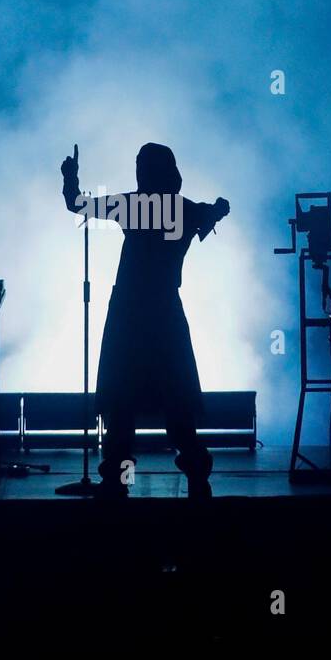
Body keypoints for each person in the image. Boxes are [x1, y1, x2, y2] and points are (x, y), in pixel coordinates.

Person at [60, 143, 229, 498]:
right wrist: (216, 208)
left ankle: (118, 480)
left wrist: (70, 179)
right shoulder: (182, 210)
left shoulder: (134, 206)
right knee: (176, 394)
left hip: (129, 311)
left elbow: (77, 206)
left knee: (121, 395)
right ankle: (198, 473)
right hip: (165, 308)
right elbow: (213, 211)